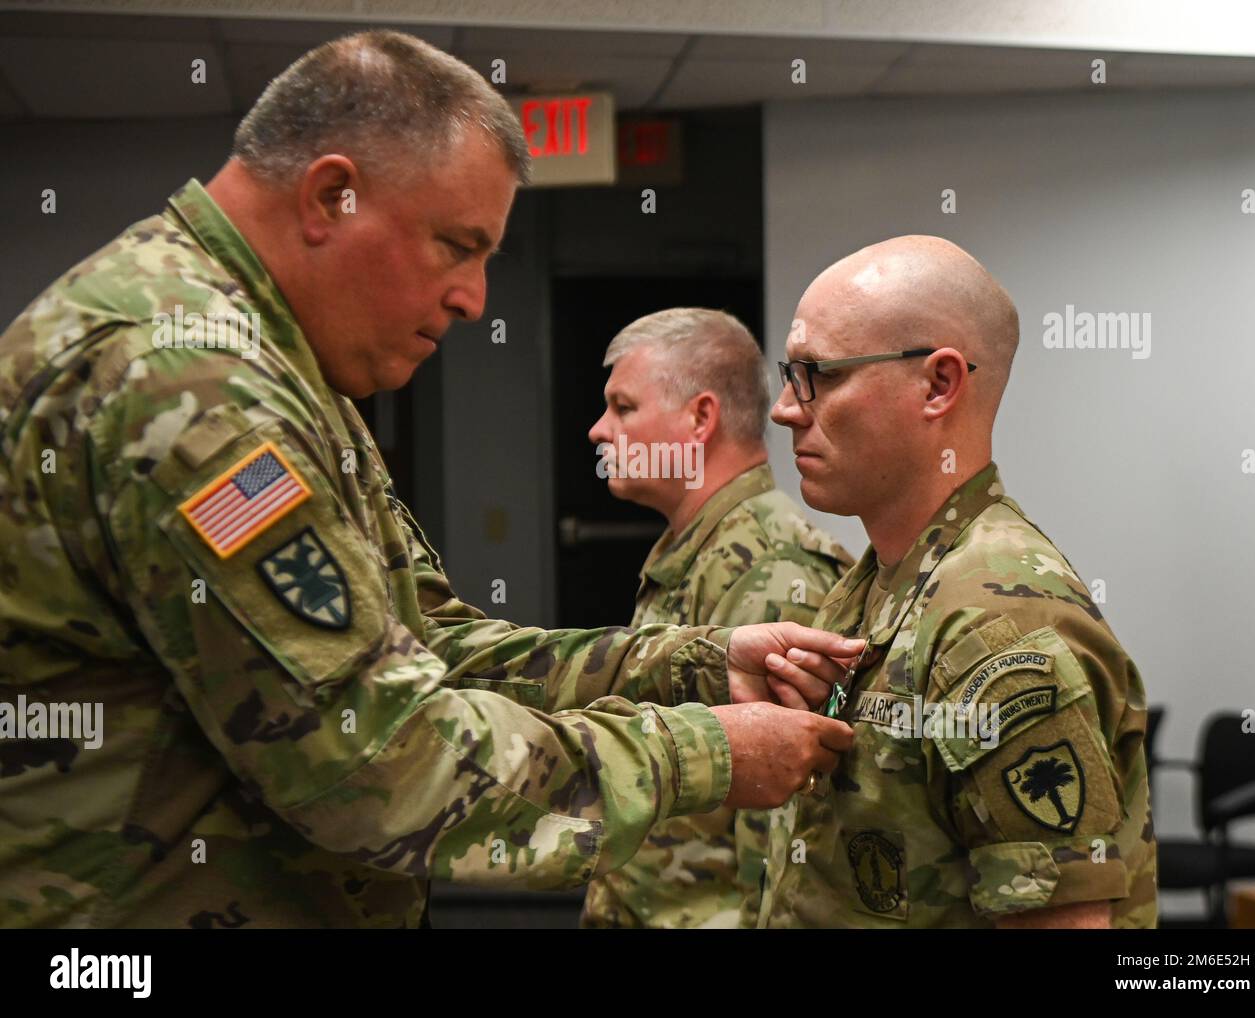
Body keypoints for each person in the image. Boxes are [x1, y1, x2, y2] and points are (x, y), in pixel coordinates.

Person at [0, 31, 861, 929]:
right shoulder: (191, 384)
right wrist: (704, 755)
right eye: (458, 246)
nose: (475, 299)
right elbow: (377, 760)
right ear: (332, 194)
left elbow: (430, 648)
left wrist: (692, 667)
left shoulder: (284, 376)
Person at [760, 235, 1156, 928]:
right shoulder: (880, 581)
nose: (787, 409)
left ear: (939, 385)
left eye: (817, 373)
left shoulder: (993, 623)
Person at [582, 308, 853, 928]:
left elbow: (784, 828)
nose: (599, 430)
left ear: (700, 419)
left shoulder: (772, 568)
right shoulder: (702, 550)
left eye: (623, 408)